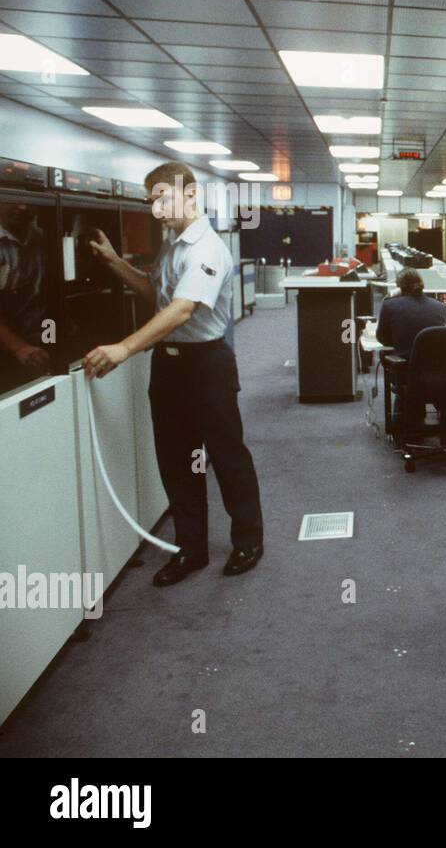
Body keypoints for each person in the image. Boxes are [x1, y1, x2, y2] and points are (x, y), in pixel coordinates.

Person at [83, 162, 265, 586]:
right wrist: (113, 262)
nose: (157, 209)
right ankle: (192, 549)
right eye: (152, 201)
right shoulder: (174, 246)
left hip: (207, 364)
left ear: (191, 194)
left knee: (226, 455)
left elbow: (183, 310)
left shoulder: (208, 249)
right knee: (177, 460)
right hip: (168, 366)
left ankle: (248, 541)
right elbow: (158, 294)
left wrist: (124, 347)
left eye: (163, 197)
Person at [0, 202, 50, 394]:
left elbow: (48, 303)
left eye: (27, 201)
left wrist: (51, 341)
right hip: (10, 351)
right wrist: (18, 348)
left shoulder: (44, 239)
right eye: (14, 199)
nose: (22, 207)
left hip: (40, 344)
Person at [376, 267, 446, 357]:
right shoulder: (441, 307)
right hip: (432, 365)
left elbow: (382, 339)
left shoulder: (389, 305)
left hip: (404, 366)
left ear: (399, 288)